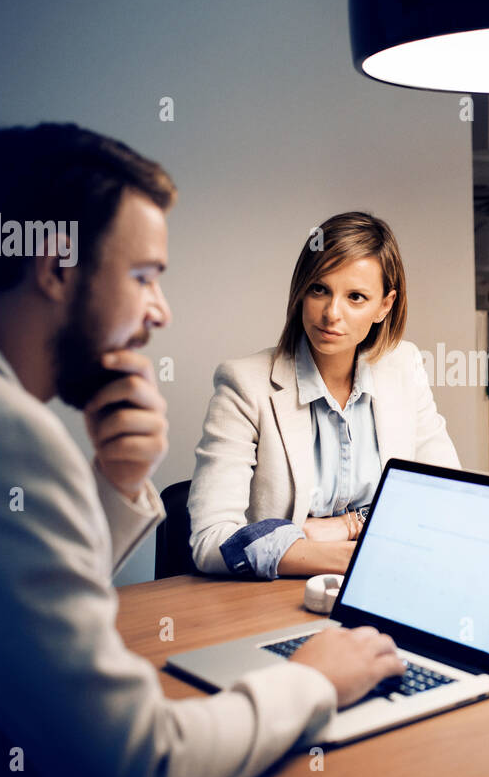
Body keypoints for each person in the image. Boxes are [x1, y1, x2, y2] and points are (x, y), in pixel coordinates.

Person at [0, 124, 405, 777]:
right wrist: (315, 679)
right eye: (144, 276)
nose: (160, 310)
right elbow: (145, 772)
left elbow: (26, 611)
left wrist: (115, 484)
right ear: (55, 269)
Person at [188, 212, 460, 578]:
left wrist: (349, 524)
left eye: (356, 297)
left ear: (385, 305)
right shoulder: (244, 384)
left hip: (391, 580)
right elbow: (213, 542)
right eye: (320, 289)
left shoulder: (403, 366)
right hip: (275, 599)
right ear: (301, 291)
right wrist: (351, 557)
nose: (332, 313)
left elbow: (446, 498)